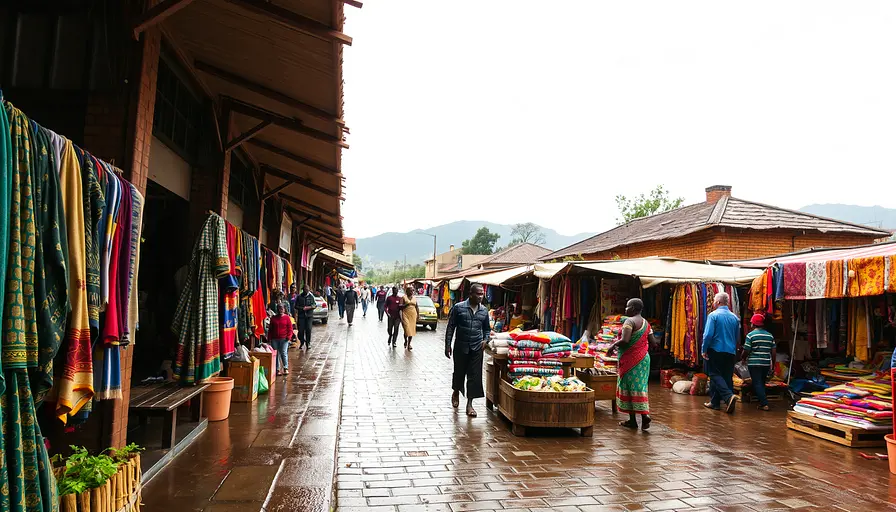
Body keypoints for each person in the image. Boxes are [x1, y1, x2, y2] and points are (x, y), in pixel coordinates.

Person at [607, 298, 655, 430]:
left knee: (628, 387)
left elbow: (625, 340)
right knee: (640, 387)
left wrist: (613, 346)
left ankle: (639, 418)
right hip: (644, 359)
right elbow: (654, 342)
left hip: (630, 360)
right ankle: (640, 418)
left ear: (633, 308)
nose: (625, 309)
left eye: (627, 307)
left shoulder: (629, 321)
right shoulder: (646, 323)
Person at [445, 283, 491, 418]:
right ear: (470, 294)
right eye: (478, 294)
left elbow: (487, 329)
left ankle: (470, 404)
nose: (481, 296)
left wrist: (485, 339)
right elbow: (451, 327)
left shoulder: (484, 311)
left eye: (482, 294)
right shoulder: (458, 308)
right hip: (461, 347)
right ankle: (456, 392)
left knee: (474, 375)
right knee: (459, 373)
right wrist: (448, 345)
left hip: (477, 348)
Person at [702, 292, 740, 414]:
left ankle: (729, 397)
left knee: (714, 374)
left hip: (716, 350)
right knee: (726, 376)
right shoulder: (734, 318)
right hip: (730, 351)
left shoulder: (713, 316)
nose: (713, 302)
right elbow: (737, 337)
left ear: (718, 302)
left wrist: (704, 349)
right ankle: (715, 402)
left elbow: (707, 335)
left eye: (714, 300)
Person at [743, 313, 776, 411]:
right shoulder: (770, 336)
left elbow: (747, 350)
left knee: (757, 382)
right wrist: (773, 365)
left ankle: (764, 403)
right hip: (766, 363)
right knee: (761, 382)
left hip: (754, 363)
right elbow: (773, 352)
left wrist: (743, 357)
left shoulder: (750, 335)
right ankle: (758, 399)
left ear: (753, 324)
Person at [268, 303, 292, 376]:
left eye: (282, 308)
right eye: (279, 308)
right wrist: (269, 338)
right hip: (274, 339)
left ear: (284, 309)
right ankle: (277, 369)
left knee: (283, 353)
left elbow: (290, 329)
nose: (280, 310)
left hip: (284, 339)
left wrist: (289, 337)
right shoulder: (273, 318)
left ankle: (285, 368)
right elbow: (270, 329)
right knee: (276, 354)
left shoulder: (287, 318)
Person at [296, 284, 316, 349]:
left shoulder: (311, 297)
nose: (306, 291)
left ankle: (308, 343)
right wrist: (302, 308)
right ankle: (302, 341)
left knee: (308, 329)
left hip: (309, 316)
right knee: (301, 330)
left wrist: (309, 307)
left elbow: (314, 305)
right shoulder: (299, 297)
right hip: (301, 316)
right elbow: (296, 306)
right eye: (305, 290)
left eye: (307, 290)